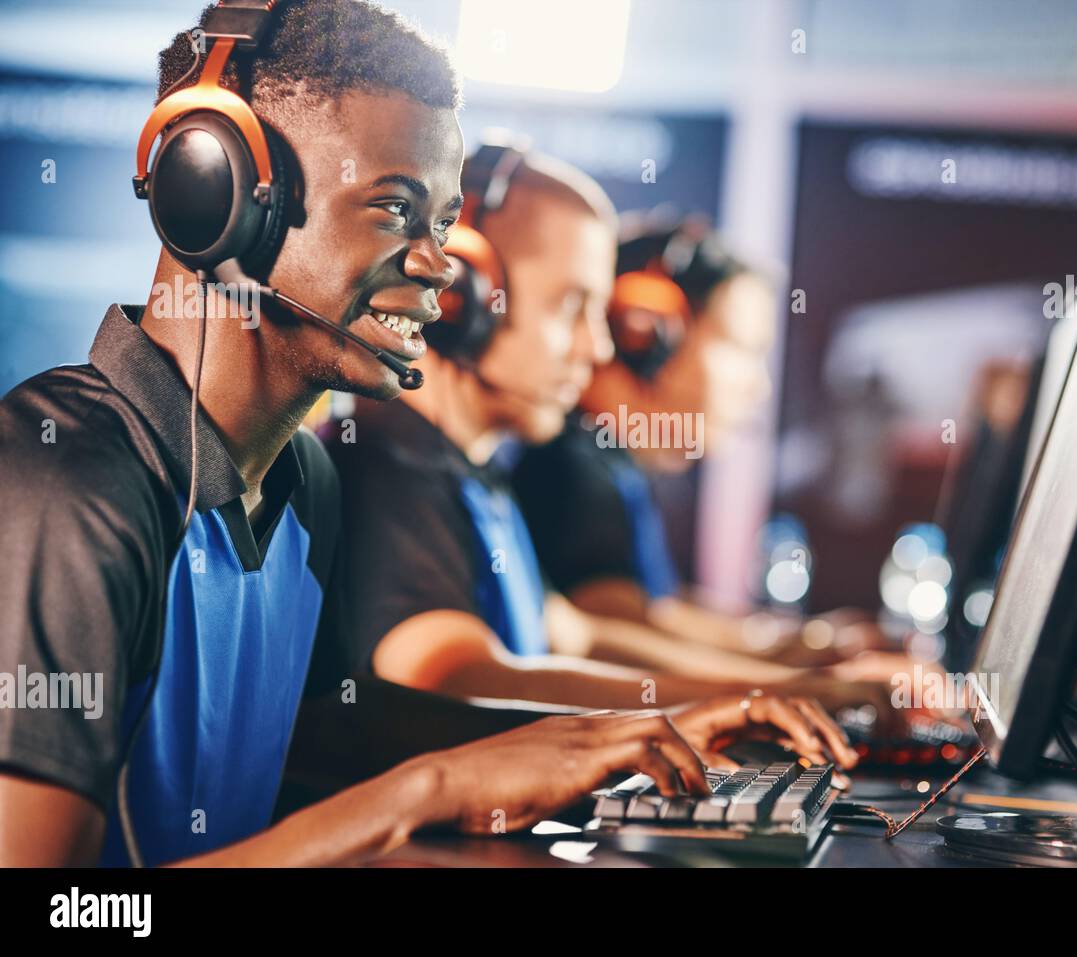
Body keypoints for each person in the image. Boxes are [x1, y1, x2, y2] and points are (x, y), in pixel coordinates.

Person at [0, 0, 848, 868]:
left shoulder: (301, 483)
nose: (442, 268)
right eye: (396, 208)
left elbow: (316, 737)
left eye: (443, 223)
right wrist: (425, 790)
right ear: (215, 197)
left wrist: (616, 735)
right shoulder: (66, 482)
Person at [330, 142, 902, 728]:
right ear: (459, 297)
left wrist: (786, 685)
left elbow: (580, 636)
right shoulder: (391, 464)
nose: (598, 348)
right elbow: (455, 678)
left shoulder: (470, 469)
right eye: (569, 308)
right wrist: (751, 700)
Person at [512, 216, 887, 670]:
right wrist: (800, 679)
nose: (759, 388)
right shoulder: (572, 468)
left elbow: (658, 606)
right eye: (740, 348)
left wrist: (789, 644)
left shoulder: (606, 460)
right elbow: (617, 629)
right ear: (646, 334)